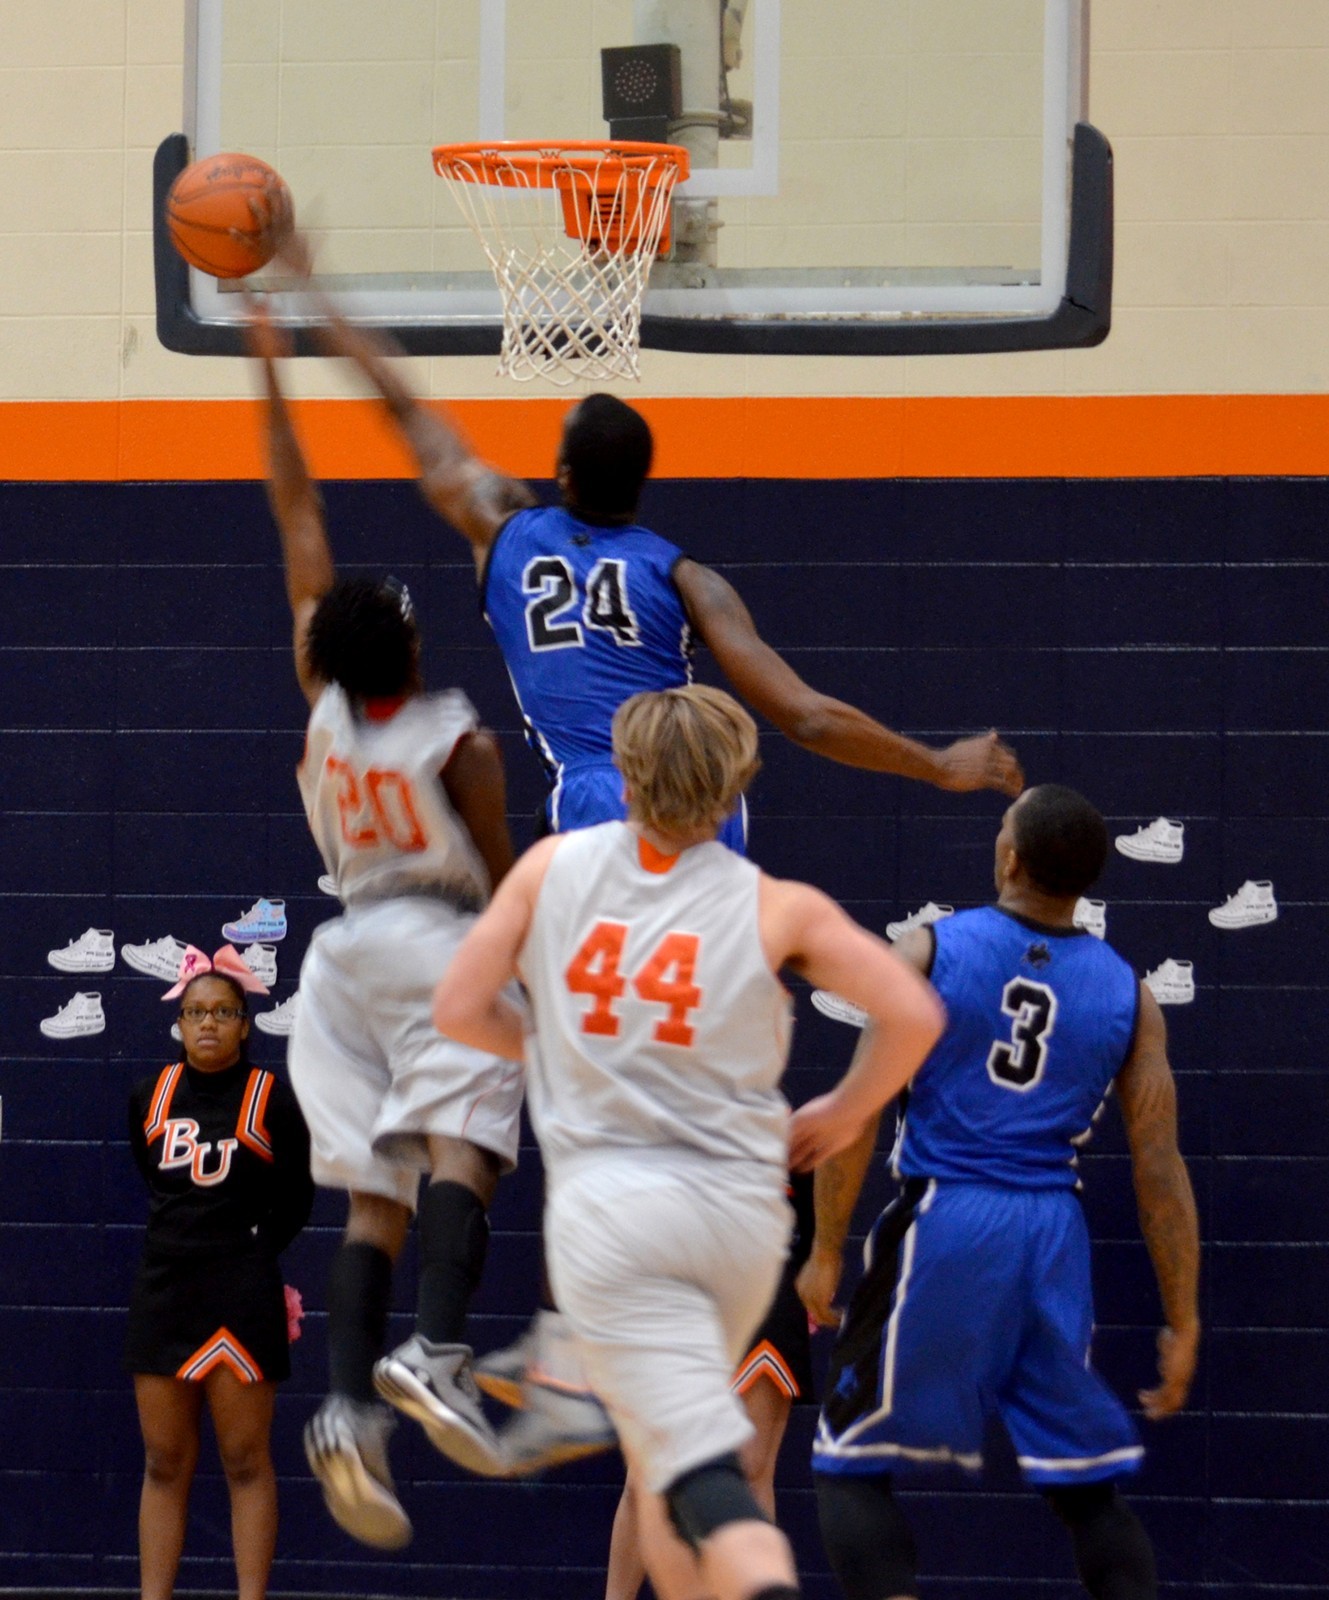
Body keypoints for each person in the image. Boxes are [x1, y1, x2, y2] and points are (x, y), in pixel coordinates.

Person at [432, 685, 946, 1600]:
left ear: (624, 778)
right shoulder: (774, 904)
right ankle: (570, 1377)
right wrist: (841, 1110)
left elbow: (459, 1007)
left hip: (616, 1219)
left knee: (669, 1472)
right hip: (742, 1224)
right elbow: (913, 1011)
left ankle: (564, 1372)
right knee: (693, 1470)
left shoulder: (553, 868)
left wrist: (554, 1046)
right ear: (734, 789)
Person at [247, 313, 523, 1551]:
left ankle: (349, 1411)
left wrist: (264, 366)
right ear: (407, 647)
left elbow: (296, 514)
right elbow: (503, 876)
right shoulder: (453, 730)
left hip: (339, 959)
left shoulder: (323, 712)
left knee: (373, 1200)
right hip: (435, 943)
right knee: (469, 1147)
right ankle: (441, 1353)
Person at [800, 784, 1201, 1600]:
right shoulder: (1132, 995)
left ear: (1009, 857)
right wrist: (1184, 1316)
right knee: (1084, 1489)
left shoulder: (928, 950)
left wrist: (825, 1251)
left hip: (947, 1214)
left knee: (847, 1464)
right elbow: (1158, 1172)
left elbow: (858, 1112)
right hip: (1052, 1233)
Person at [126, 948, 314, 1600]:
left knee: (243, 1460)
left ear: (244, 1024)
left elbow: (295, 1200)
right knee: (163, 1461)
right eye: (195, 1012)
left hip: (241, 1292)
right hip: (166, 1291)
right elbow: (153, 1180)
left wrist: (250, 1254)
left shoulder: (271, 1097)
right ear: (179, 1023)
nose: (207, 1023)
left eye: (222, 1012)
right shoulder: (150, 1095)